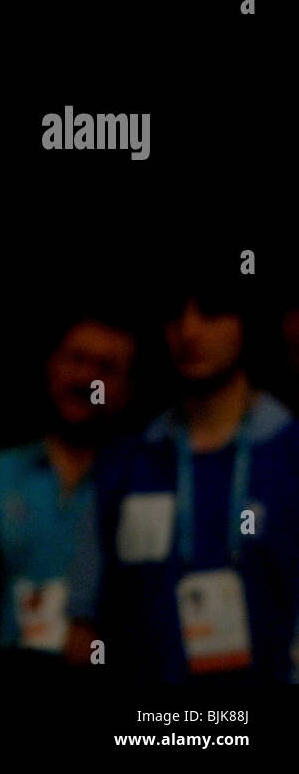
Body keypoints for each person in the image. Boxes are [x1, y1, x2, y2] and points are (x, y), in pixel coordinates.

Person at [70, 279, 299, 682]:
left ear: (245, 322)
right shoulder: (126, 461)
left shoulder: (290, 449)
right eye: (175, 315)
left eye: (210, 312)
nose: (189, 331)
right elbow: (84, 625)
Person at [0, 315, 138, 677]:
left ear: (127, 388)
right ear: (52, 366)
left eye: (105, 368)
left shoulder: (139, 483)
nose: (86, 378)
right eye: (76, 359)